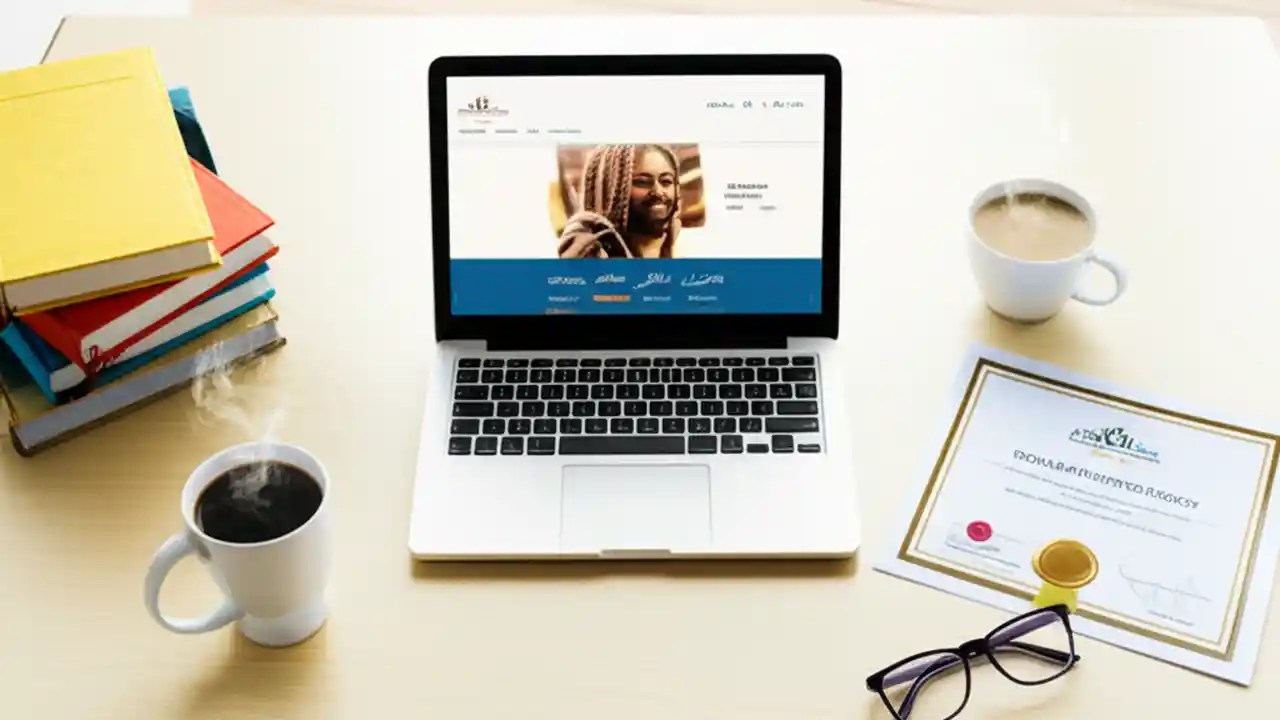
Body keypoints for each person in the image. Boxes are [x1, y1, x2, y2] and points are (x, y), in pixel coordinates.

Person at [557, 144, 682, 259]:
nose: (658, 192)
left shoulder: (683, 246)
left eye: (666, 181)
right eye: (642, 182)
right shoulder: (586, 251)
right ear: (611, 190)